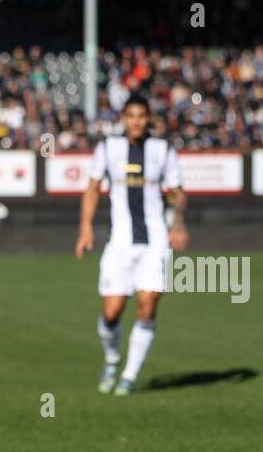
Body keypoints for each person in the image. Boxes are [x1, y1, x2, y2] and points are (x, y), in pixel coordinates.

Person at [75, 94, 188, 395]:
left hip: (155, 242)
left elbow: (178, 192)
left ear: (149, 118)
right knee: (111, 313)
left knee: (147, 306)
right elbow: (92, 188)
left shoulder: (163, 149)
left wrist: (177, 221)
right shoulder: (108, 148)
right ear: (123, 118)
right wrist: (85, 228)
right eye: (131, 115)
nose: (136, 120)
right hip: (120, 243)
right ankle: (112, 359)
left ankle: (129, 374)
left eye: (142, 115)